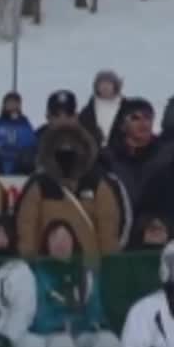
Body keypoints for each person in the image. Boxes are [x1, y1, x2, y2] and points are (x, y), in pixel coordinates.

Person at [15, 221, 123, 347]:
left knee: (110, 343)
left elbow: (95, 310)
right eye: (55, 238)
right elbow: (38, 315)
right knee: (62, 344)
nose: (61, 242)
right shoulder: (36, 273)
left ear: (74, 242)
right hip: (48, 334)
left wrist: (93, 324)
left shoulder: (86, 273)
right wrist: (62, 326)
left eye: (66, 237)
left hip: (81, 332)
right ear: (46, 244)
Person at [17, 121, 127, 260]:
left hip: (89, 270)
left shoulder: (97, 183)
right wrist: (30, 267)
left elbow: (109, 231)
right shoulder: (39, 184)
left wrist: (109, 267)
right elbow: (26, 230)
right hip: (46, 271)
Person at [101, 98, 173, 234]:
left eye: (147, 117)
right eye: (135, 118)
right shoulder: (107, 160)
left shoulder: (168, 157)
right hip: (120, 235)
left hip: (163, 233)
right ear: (122, 125)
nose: (143, 123)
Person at [0, 92, 38, 176]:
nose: (13, 106)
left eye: (16, 103)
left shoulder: (26, 125)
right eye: (10, 103)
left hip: (20, 170)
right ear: (4, 105)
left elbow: (31, 145)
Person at [80, 68, 125, 148]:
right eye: (102, 84)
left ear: (115, 85)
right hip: (94, 153)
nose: (105, 87)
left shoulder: (126, 107)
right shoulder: (87, 111)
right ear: (96, 86)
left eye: (108, 83)